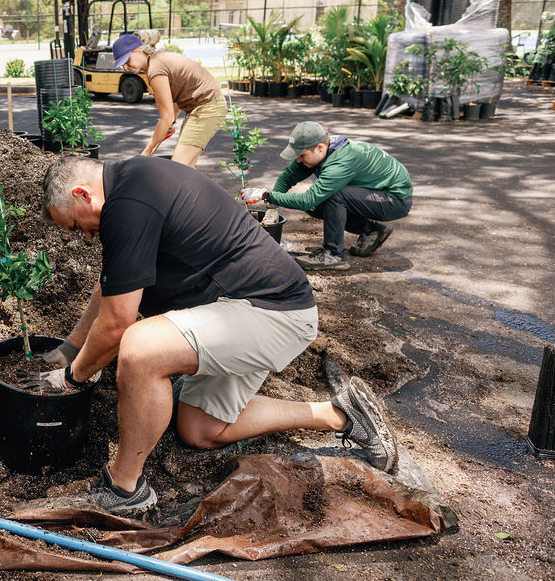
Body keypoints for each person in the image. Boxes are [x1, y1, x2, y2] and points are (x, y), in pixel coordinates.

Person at [29, 155, 400, 513]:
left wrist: (71, 377)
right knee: (200, 428)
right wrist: (70, 348)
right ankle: (339, 413)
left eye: (77, 225)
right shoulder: (133, 183)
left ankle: (124, 487)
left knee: (140, 349)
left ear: (82, 194)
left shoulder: (128, 203)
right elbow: (111, 287)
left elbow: (116, 324)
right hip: (245, 308)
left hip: (272, 312)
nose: (87, 236)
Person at [242, 121, 413, 271]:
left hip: (394, 199)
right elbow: (287, 177)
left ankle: (334, 255)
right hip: (375, 194)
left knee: (332, 196)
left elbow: (307, 199)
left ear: (320, 148)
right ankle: (370, 231)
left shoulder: (340, 161)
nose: (299, 160)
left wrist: (266, 196)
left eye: (302, 155)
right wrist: (272, 207)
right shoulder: (320, 149)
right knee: (315, 206)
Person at [112, 31, 227, 168]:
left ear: (138, 50)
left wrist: (147, 152)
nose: (126, 67)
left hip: (207, 107)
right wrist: (170, 122)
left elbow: (166, 117)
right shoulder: (159, 58)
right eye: (122, 64)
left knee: (178, 167)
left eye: (127, 60)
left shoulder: (156, 70)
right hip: (204, 105)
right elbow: (177, 97)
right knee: (187, 168)